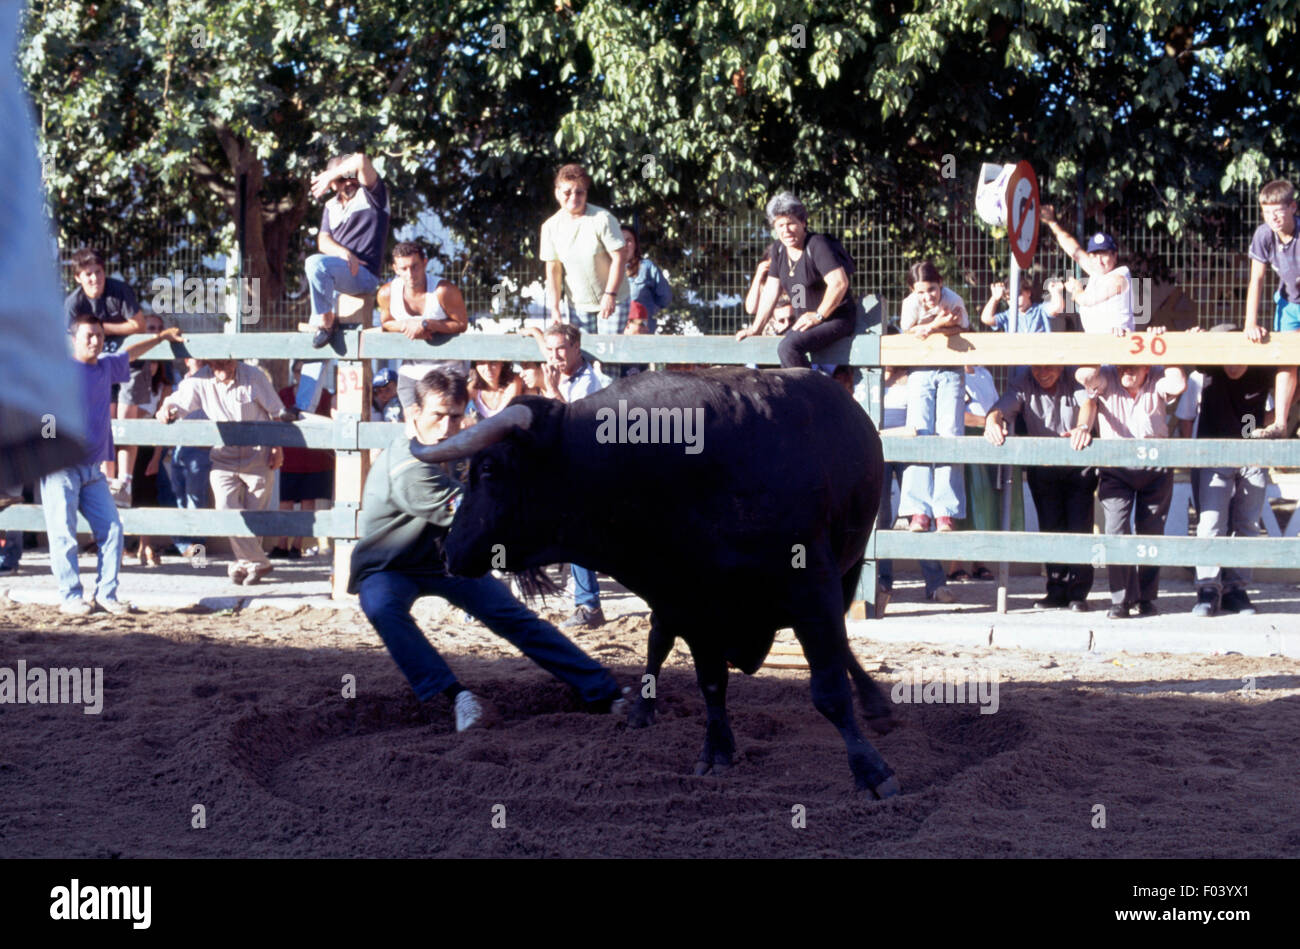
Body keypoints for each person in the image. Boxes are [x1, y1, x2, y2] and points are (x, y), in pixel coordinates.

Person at [350, 369, 628, 731]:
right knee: (383, 606)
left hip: (442, 561)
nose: (447, 426)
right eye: (438, 415)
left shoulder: (460, 446)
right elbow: (478, 512)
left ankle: (604, 691)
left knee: (511, 616)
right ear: (413, 413)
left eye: (455, 415)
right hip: (388, 566)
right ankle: (456, 697)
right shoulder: (409, 468)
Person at [42, 315, 183, 615]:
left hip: (93, 470)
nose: (95, 341)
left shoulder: (106, 366)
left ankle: (106, 594)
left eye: (99, 336)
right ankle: (70, 597)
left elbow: (130, 353)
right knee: (63, 533)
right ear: (73, 339)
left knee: (113, 529)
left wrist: (159, 338)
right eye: (89, 336)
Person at [1076, 332, 1186, 618]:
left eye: (1134, 364)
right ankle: (1120, 600)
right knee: (1115, 530)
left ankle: (1147, 599)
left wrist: (1162, 346)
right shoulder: (1108, 376)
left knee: (1151, 533)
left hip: (1155, 467)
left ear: (1147, 366)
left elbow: (1178, 383)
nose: (1127, 369)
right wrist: (1105, 343)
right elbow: (1085, 377)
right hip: (1116, 469)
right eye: (1123, 363)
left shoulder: (1157, 376)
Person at [158, 359, 286, 585]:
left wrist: (277, 447)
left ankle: (243, 564)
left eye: (227, 362)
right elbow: (178, 401)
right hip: (217, 454)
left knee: (254, 515)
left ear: (235, 360)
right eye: (217, 363)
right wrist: (167, 409)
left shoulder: (253, 376)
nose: (223, 368)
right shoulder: (200, 379)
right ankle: (256, 562)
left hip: (256, 453)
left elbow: (277, 412)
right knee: (224, 510)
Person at [985, 365, 1099, 611]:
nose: (1042, 372)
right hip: (1043, 467)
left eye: (1049, 367)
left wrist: (1082, 429)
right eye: (1037, 368)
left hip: (1079, 463)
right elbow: (999, 409)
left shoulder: (1074, 376)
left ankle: (1078, 592)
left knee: (1079, 526)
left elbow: (1089, 404)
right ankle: (1056, 590)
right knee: (1049, 527)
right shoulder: (1022, 380)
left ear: (1060, 364)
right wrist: (992, 421)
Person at [1182, 326, 1275, 616]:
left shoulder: (1263, 374)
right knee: (1211, 524)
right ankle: (1208, 589)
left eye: (1240, 353)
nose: (1233, 362)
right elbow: (1186, 416)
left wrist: (1260, 435)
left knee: (1247, 524)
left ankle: (1237, 589)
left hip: (1250, 454)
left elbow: (1272, 411)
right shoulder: (1203, 375)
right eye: (1226, 353)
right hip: (1213, 454)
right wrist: (1192, 456)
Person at [533, 322, 607, 627]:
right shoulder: (558, 371)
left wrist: (550, 391)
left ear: (577, 347)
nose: (554, 356)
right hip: (564, 469)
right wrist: (535, 333)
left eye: (561, 349)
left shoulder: (592, 381)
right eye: (549, 350)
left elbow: (576, 424)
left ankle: (588, 606)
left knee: (578, 532)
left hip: (592, 471)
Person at [62, 247, 148, 504]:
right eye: (87, 274)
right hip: (97, 367)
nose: (94, 279)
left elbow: (139, 325)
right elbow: (67, 341)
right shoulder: (72, 303)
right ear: (78, 277)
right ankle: (109, 482)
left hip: (129, 363)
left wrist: (100, 329)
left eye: (98, 272)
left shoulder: (119, 291)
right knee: (107, 420)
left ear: (104, 271)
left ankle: (126, 481)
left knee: (126, 419)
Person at [734, 192, 856, 369]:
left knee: (788, 347)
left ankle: (807, 394)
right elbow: (770, 292)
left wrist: (818, 315)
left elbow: (839, 283)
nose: (786, 230)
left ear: (803, 223)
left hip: (835, 319)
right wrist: (755, 328)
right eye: (780, 225)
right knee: (778, 349)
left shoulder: (817, 244)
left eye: (791, 223)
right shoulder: (778, 250)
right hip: (804, 324)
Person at [875, 361, 953, 615]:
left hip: (909, 445)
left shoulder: (913, 378)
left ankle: (935, 583)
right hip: (877, 447)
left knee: (918, 512)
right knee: (880, 516)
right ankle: (882, 582)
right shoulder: (863, 376)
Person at [896, 260, 968, 533]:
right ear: (913, 290)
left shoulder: (954, 299)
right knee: (920, 429)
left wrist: (931, 327)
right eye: (922, 292)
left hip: (951, 368)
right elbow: (908, 332)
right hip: (920, 370)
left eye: (933, 290)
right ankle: (918, 511)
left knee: (949, 432)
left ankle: (945, 511)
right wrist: (938, 322)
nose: (928, 297)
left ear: (942, 285)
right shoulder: (909, 304)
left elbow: (960, 328)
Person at [302, 151, 389, 350]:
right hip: (338, 274)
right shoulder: (331, 206)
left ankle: (326, 323)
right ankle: (324, 320)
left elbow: (360, 160)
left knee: (314, 264)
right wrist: (344, 253)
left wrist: (331, 174)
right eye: (342, 179)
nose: (349, 182)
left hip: (364, 275)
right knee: (310, 359)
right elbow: (323, 241)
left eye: (352, 176)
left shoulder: (372, 195)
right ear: (333, 185)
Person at [378, 241, 470, 413]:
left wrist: (427, 324)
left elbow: (461, 324)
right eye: (403, 269)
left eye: (415, 267)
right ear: (395, 269)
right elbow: (386, 322)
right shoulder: (387, 293)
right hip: (411, 372)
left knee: (444, 428)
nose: (410, 274)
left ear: (425, 263)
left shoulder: (443, 290)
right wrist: (407, 325)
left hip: (448, 373)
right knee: (413, 426)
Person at [541, 163, 630, 336]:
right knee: (582, 356)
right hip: (579, 305)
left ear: (586, 193)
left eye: (579, 192)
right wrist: (555, 308)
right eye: (567, 192)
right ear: (557, 193)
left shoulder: (602, 219)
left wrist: (610, 294)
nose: (573, 197)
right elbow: (553, 270)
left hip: (614, 299)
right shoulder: (550, 227)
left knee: (608, 356)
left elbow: (620, 257)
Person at [1243, 179, 1300, 439]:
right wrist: (1250, 323)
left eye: (1278, 210)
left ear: (1293, 208)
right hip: (1288, 304)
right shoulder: (1264, 235)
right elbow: (1256, 279)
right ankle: (1279, 423)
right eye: (1267, 211)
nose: (1273, 217)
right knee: (1286, 361)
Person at [1040, 205, 1134, 334]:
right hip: (1095, 344)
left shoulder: (1120, 278)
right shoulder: (1097, 273)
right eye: (1094, 255)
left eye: (1104, 255)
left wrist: (1076, 289)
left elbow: (1087, 300)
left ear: (1114, 256)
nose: (1099, 260)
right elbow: (1074, 250)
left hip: (1118, 344)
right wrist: (1052, 222)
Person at [275, 365, 334, 559]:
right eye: (299, 371)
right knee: (286, 503)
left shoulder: (325, 395)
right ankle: (281, 544)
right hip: (291, 457)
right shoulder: (283, 394)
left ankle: (297, 545)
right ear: (294, 373)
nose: (302, 375)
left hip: (315, 458)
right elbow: (276, 420)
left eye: (306, 370)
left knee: (309, 504)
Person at [621, 225, 671, 333]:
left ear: (635, 245)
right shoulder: (605, 269)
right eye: (620, 239)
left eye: (628, 240)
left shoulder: (647, 267)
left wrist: (648, 310)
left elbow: (665, 297)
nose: (624, 244)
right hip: (613, 335)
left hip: (641, 334)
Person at [979, 276, 1065, 333]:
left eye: (1018, 295)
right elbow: (986, 318)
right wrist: (995, 298)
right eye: (1009, 298)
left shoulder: (1040, 309)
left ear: (1028, 293)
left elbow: (1058, 307)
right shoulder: (1008, 315)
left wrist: (1055, 292)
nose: (1014, 300)